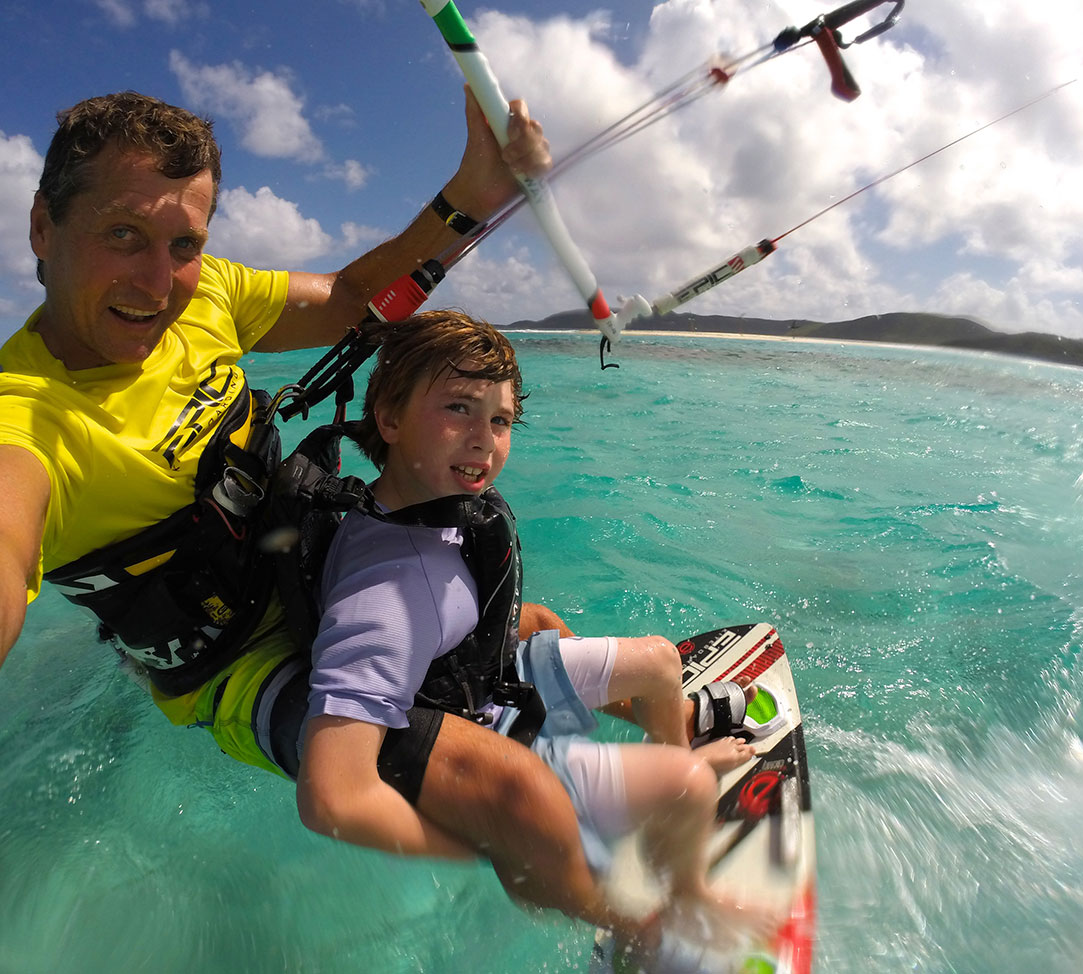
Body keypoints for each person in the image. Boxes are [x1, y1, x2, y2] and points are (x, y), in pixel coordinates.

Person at [0, 91, 757, 964]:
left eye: (183, 244)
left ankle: (631, 769)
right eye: (122, 234)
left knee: (534, 627)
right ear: (41, 227)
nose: (156, 282)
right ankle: (630, 925)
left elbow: (359, 296)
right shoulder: (26, 425)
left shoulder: (205, 297)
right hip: (250, 672)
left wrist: (474, 188)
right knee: (503, 790)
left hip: (327, 582)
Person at [296, 310, 765, 971]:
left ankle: (669, 757)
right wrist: (492, 848)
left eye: (500, 419)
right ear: (389, 419)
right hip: (484, 729)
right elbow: (333, 796)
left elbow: (464, 616)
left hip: (484, 676)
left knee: (660, 661)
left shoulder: (421, 502)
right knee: (688, 784)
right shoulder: (388, 596)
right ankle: (664, 910)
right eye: (458, 408)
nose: (485, 440)